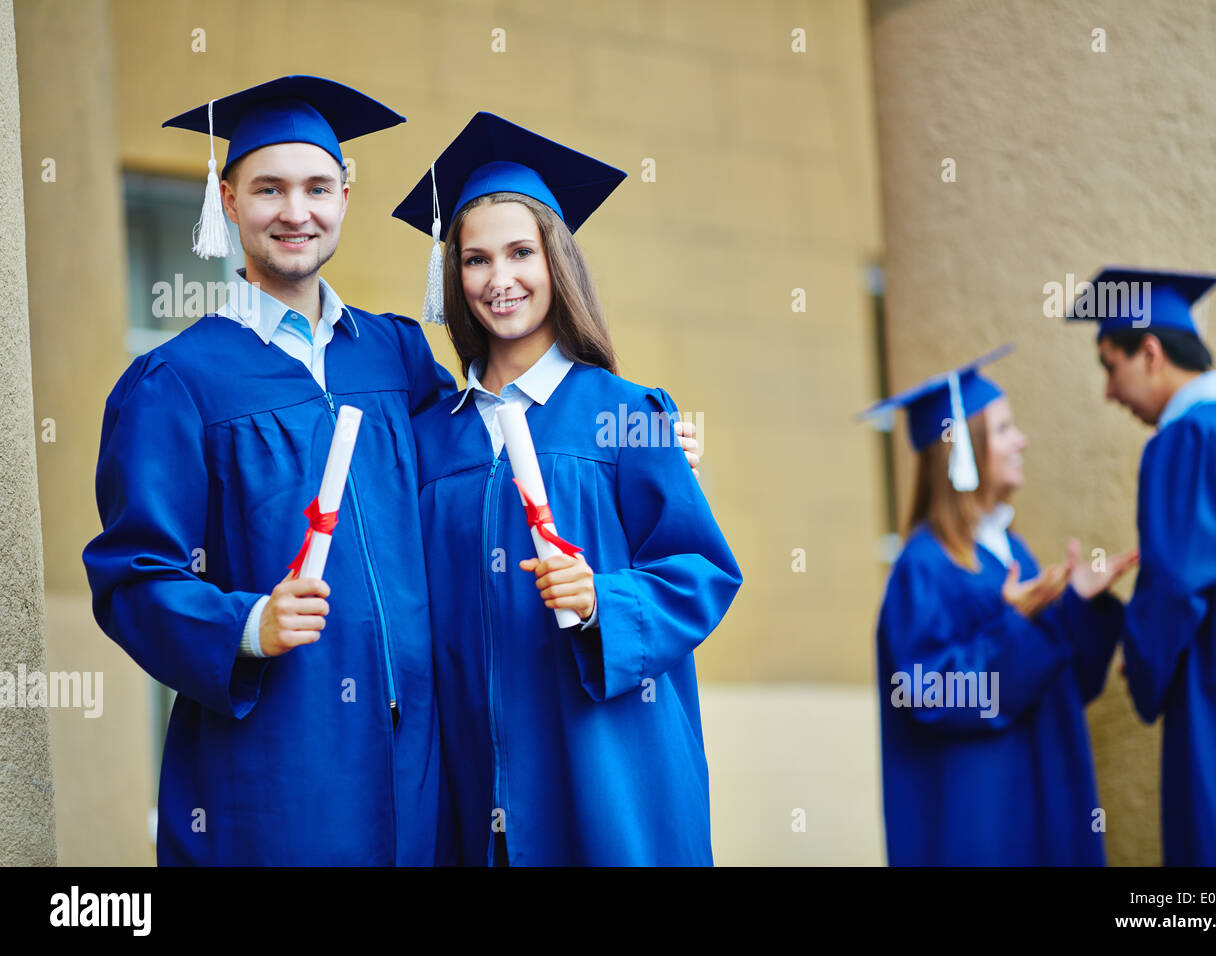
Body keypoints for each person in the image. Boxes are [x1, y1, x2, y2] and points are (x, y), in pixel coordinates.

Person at [83, 76, 459, 864]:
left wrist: (639, 446)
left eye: (319, 187)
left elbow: (478, 478)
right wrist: (247, 623)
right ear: (226, 200)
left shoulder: (396, 353)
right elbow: (132, 578)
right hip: (277, 767)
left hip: (415, 758)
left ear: (346, 196)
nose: (297, 212)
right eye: (269, 189)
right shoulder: (178, 383)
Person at [392, 112, 743, 866]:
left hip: (609, 767)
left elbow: (701, 571)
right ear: (453, 276)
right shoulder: (430, 441)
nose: (500, 279)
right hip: (472, 779)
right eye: (476, 260)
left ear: (557, 261)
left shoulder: (629, 415)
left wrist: (600, 600)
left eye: (521, 252)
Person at [862, 346, 1137, 865]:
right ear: (963, 449)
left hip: (1038, 793)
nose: (1022, 441)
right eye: (1006, 429)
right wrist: (1015, 624)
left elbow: (1057, 681)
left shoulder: (1008, 551)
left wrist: (1080, 603)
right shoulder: (923, 568)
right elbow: (930, 694)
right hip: (981, 813)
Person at [1068, 266, 1216, 865]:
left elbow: (1175, 586)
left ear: (1149, 353)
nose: (1109, 393)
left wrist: (1140, 663)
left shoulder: (1184, 442)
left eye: (1109, 366)